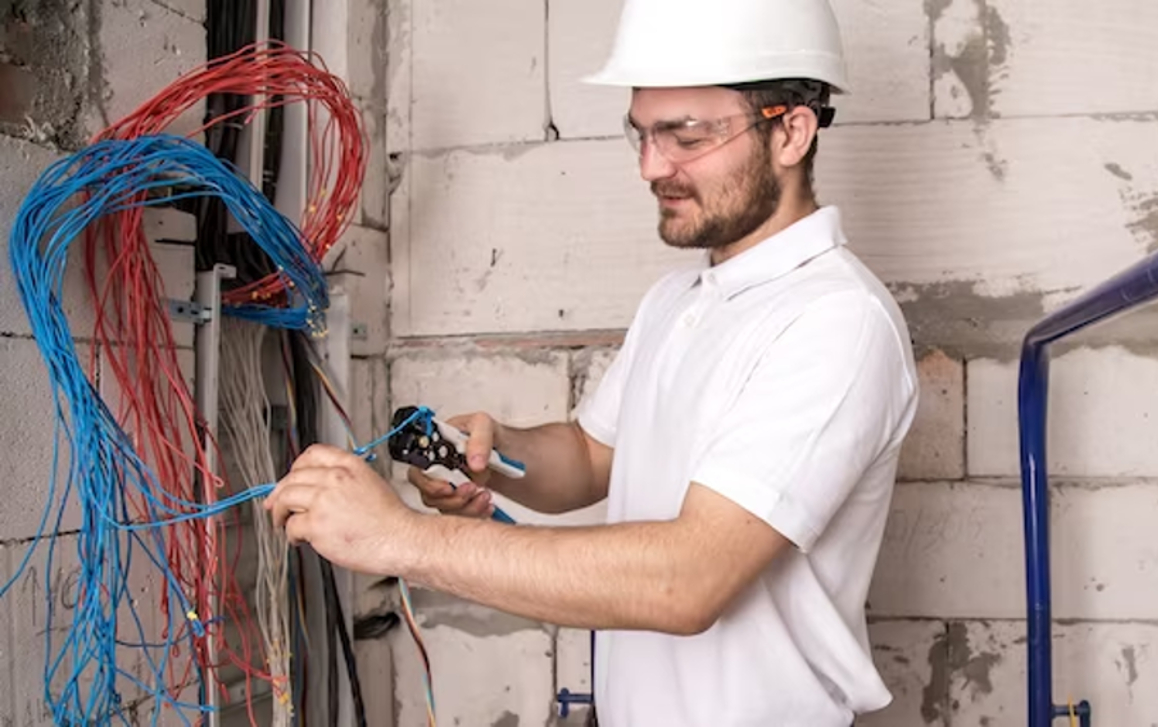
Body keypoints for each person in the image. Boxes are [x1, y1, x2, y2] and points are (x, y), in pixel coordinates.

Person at [265, 0, 919, 724]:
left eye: (686, 135)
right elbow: (590, 453)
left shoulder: (834, 321)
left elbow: (689, 579)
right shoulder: (682, 300)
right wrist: (493, 448)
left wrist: (400, 538)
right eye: (640, 134)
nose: (651, 166)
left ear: (791, 130)